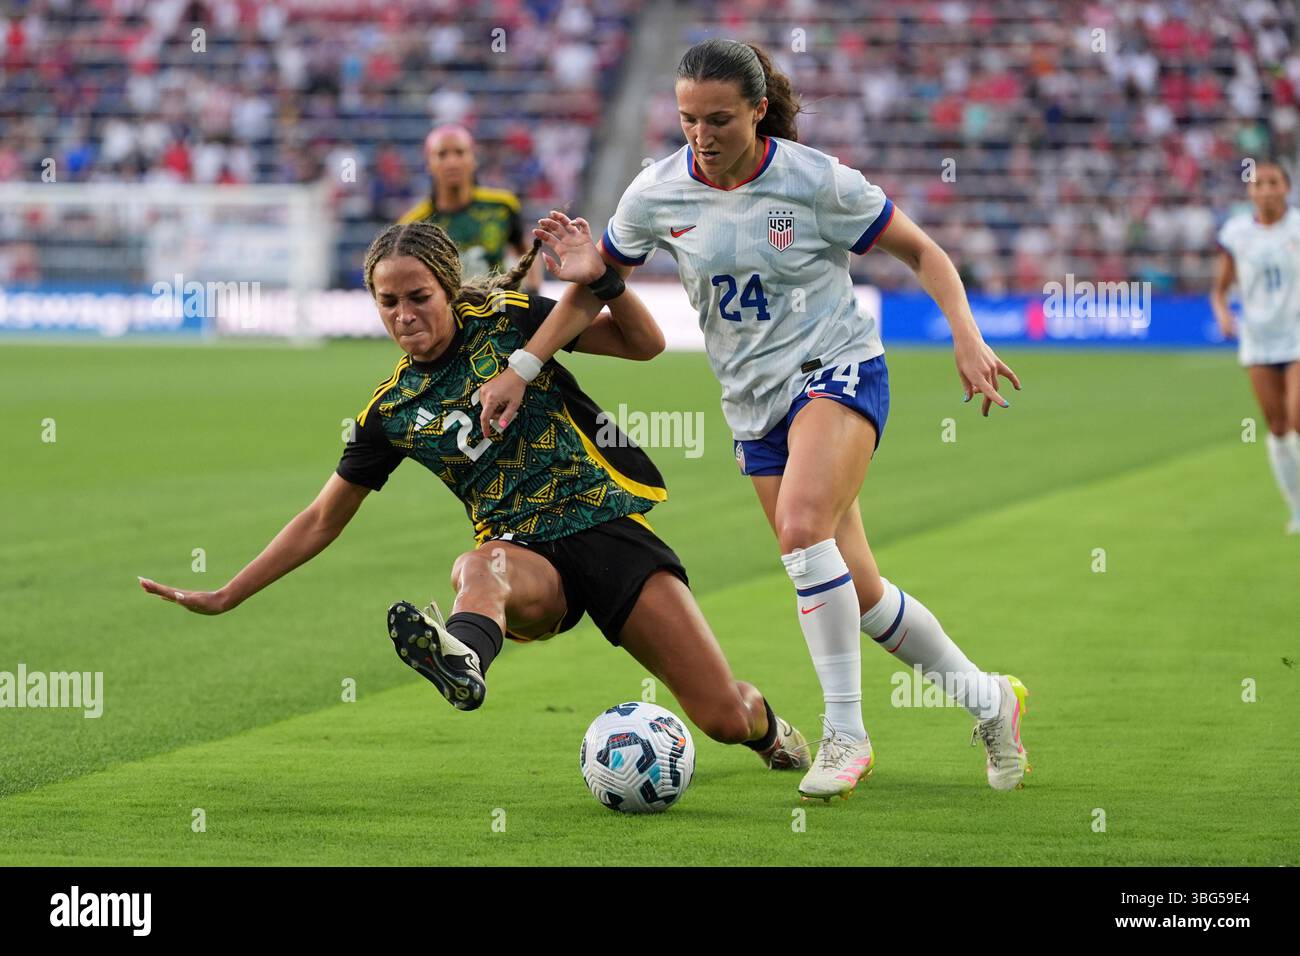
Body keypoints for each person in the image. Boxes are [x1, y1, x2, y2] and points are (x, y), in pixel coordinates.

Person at [476, 39, 1031, 800]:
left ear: (759, 109)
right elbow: (594, 286)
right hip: (754, 403)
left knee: (803, 535)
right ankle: (987, 700)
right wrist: (524, 365)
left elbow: (923, 252)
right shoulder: (657, 192)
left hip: (838, 371)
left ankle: (846, 734)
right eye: (687, 119)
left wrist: (968, 338)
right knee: (859, 593)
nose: (701, 135)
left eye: (720, 119)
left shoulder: (815, 181)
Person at [138, 219, 810, 781]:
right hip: (523, 558)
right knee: (477, 565)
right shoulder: (391, 410)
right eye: (387, 302)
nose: (405, 315)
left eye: (418, 296)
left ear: (448, 287)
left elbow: (645, 343)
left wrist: (603, 278)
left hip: (609, 532)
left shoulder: (508, 322)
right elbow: (320, 519)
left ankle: (771, 733)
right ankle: (461, 659)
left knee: (724, 715)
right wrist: (230, 593)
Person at [1211, 159, 1300, 534]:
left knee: (1297, 418)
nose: (1265, 189)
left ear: (1286, 187)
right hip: (1259, 340)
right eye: (1258, 183)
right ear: (1249, 191)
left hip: (1297, 335)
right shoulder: (1236, 233)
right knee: (1277, 427)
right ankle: (1296, 507)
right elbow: (1220, 288)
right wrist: (1223, 315)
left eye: (1272, 182)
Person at [399, 124, 542, 292]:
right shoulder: (414, 224)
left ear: (473, 159)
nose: (452, 162)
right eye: (442, 154)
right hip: (450, 315)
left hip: (501, 308)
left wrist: (533, 290)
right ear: (428, 164)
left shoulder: (502, 206)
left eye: (459, 152)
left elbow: (524, 249)